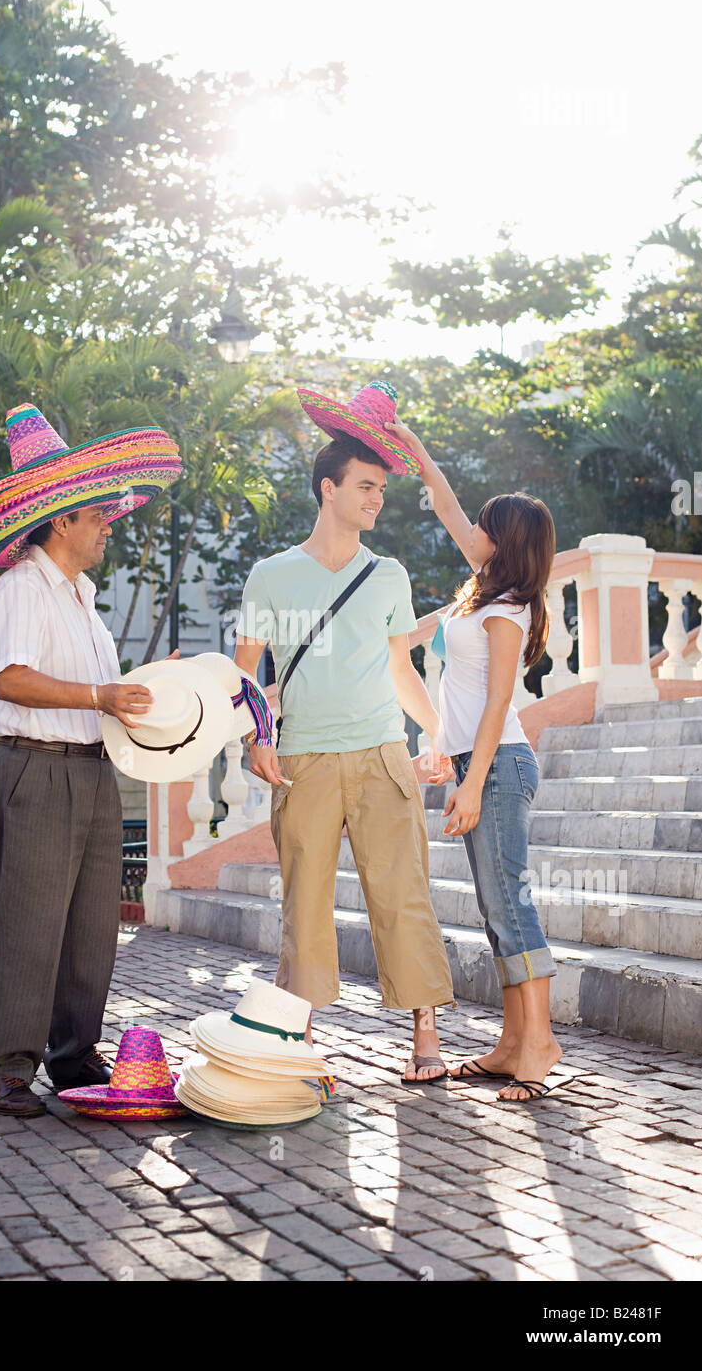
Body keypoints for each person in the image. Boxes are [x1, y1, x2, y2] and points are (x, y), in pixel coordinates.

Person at [0, 401, 181, 1115]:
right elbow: (9, 680)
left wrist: (142, 689)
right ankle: (6, 1072)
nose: (109, 525)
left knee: (91, 926)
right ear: (64, 518)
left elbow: (94, 696)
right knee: (32, 924)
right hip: (35, 770)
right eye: (100, 515)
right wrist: (101, 693)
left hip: (89, 771)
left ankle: (74, 1057)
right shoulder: (18, 591)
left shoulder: (82, 601)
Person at [234, 380, 455, 1085]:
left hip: (382, 753)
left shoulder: (388, 574)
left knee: (402, 892)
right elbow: (245, 676)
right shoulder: (270, 576)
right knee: (305, 901)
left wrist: (438, 732)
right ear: (328, 488)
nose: (375, 499)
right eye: (364, 486)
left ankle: (425, 1027)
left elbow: (399, 666)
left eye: (381, 490)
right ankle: (295, 1037)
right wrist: (254, 739)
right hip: (302, 758)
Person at [383, 415, 564, 1103]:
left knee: (511, 903)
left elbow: (495, 707)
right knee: (495, 907)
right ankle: (512, 1042)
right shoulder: (485, 584)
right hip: (475, 763)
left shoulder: (505, 608)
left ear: (504, 540)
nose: (473, 530)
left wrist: (471, 783)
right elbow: (443, 500)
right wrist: (407, 439)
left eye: (486, 525)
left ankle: (539, 1044)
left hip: (500, 765)